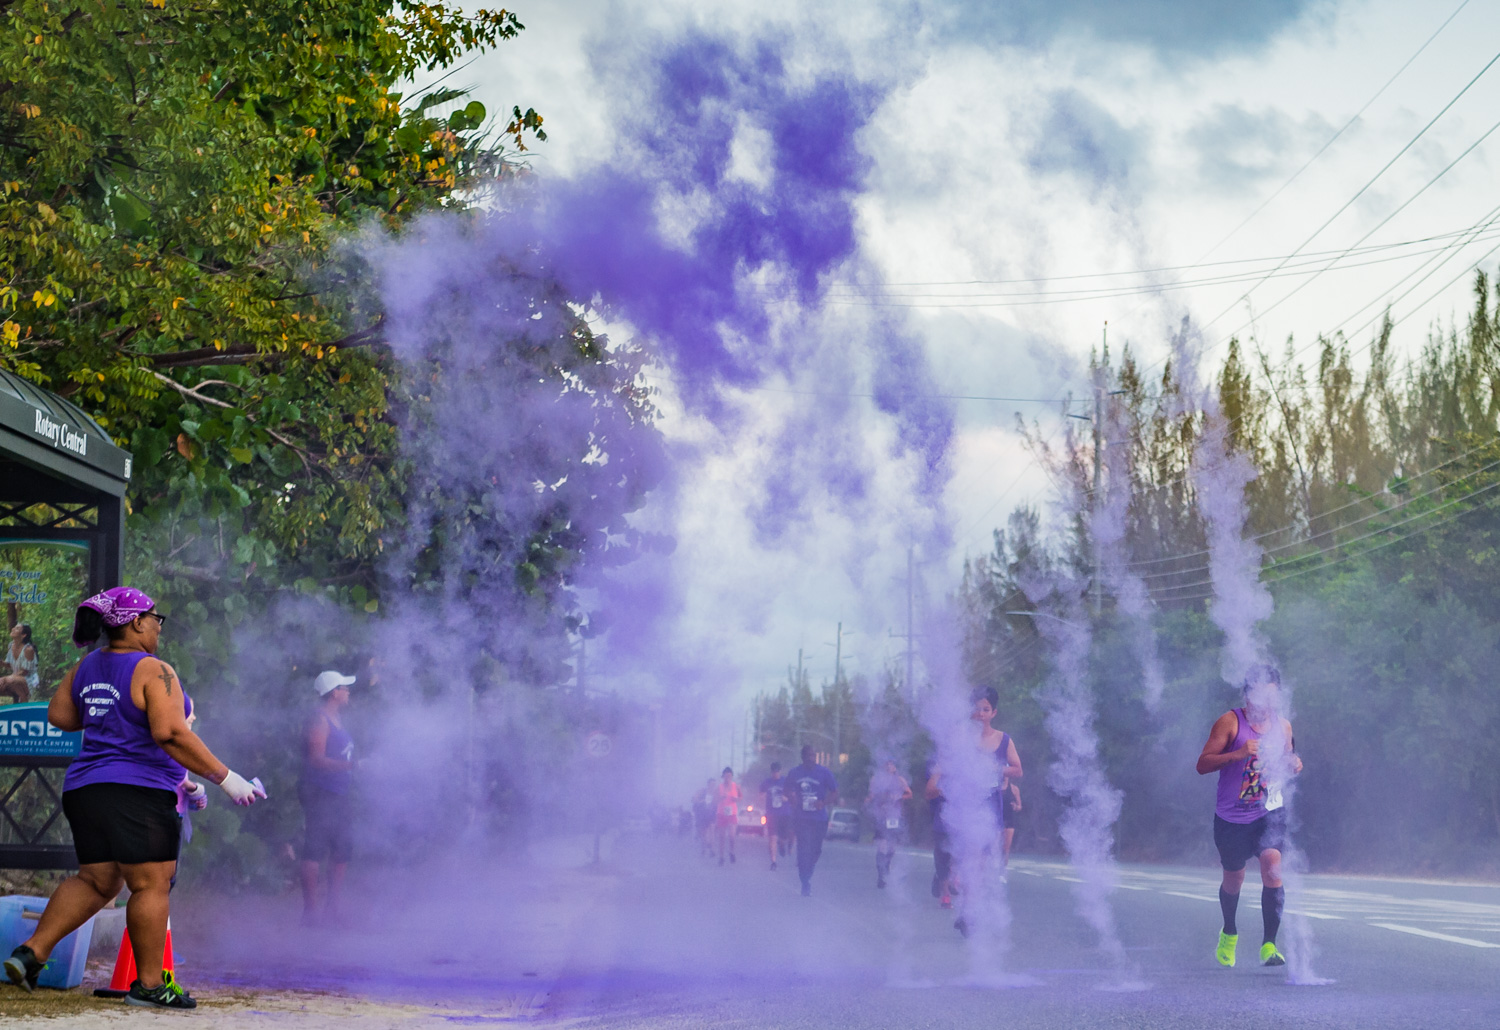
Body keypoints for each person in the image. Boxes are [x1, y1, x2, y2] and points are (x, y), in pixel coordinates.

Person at [3, 588, 265, 1008]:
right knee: (150, 884)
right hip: (138, 791)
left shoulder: (87, 665)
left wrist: (107, 709)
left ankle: (32, 952)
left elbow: (61, 716)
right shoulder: (154, 670)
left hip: (86, 788)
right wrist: (227, 778)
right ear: (135, 622)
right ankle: (148, 985)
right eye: (155, 618)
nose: (159, 626)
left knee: (96, 879)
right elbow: (172, 733)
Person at [1196, 663, 1303, 969]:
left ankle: (1269, 945)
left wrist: (1294, 763)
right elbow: (1203, 764)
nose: (1266, 704)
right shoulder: (1230, 723)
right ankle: (1229, 931)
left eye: (1272, 697)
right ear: (1247, 694)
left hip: (1269, 811)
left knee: (1272, 866)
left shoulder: (1283, 726)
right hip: (1231, 819)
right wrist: (1238, 754)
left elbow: (1287, 758)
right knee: (1235, 877)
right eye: (1260, 696)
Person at [925, 687, 1021, 927]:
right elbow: (942, 769)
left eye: (985, 709)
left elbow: (1018, 770)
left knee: (980, 865)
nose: (980, 714)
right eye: (976, 709)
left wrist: (995, 769)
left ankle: (967, 910)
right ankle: (963, 906)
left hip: (989, 810)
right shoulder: (959, 738)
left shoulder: (1003, 739)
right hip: (962, 809)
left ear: (994, 712)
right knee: (967, 859)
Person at [300, 669, 356, 926]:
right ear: (334, 693)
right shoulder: (320, 720)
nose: (347, 691)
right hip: (321, 793)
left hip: (338, 793)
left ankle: (332, 909)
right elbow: (316, 759)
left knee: (342, 849)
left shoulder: (336, 717)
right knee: (315, 848)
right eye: (344, 688)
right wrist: (352, 766)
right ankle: (311, 914)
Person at [785, 745, 839, 897]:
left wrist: (824, 802)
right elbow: (786, 790)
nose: (811, 758)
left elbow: (835, 792)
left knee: (815, 850)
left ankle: (808, 870)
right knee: (803, 849)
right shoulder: (795, 773)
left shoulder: (824, 772)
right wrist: (792, 797)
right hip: (801, 817)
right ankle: (805, 881)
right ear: (803, 757)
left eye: (813, 756)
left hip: (819, 818)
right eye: (808, 756)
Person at [867, 758, 912, 889]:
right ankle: (881, 874)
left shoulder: (900, 780)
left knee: (891, 847)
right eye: (887, 765)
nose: (890, 767)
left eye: (892, 765)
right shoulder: (876, 779)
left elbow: (909, 794)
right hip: (881, 816)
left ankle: (886, 867)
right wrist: (876, 800)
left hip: (894, 817)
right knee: (882, 846)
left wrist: (898, 797)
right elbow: (871, 795)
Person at [759, 761, 790, 870]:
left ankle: (782, 845)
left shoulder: (786, 781)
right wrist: (763, 796)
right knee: (772, 838)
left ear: (780, 771)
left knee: (783, 837)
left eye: (777, 772)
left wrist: (786, 798)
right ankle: (773, 861)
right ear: (771, 772)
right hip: (771, 813)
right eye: (773, 772)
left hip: (784, 813)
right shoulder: (766, 782)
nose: (775, 774)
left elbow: (792, 795)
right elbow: (761, 794)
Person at [0, 623, 38, 704]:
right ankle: (15, 706)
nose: (13, 629)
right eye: (14, 627)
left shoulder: (28, 650)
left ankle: (24, 706)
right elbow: (9, 664)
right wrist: (1, 663)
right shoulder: (11, 645)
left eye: (17, 628)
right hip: (16, 678)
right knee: (5, 682)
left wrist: (6, 679)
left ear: (23, 635)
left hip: (29, 680)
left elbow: (25, 671)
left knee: (10, 680)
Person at [714, 766, 740, 866]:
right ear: (723, 777)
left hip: (732, 813)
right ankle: (721, 857)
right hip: (721, 813)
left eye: (729, 776)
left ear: (732, 776)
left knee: (732, 836)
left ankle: (731, 852)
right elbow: (714, 800)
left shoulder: (736, 786)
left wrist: (736, 799)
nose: (727, 778)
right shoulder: (719, 787)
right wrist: (721, 798)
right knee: (721, 836)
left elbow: (741, 797)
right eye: (725, 776)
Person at [693, 778, 717, 857]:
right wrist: (700, 801)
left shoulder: (716, 793)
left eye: (714, 784)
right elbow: (695, 798)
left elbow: (720, 801)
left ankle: (712, 849)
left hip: (712, 814)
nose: (712, 786)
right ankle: (704, 847)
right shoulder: (703, 791)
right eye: (711, 784)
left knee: (712, 831)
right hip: (703, 814)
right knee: (704, 833)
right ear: (708, 784)